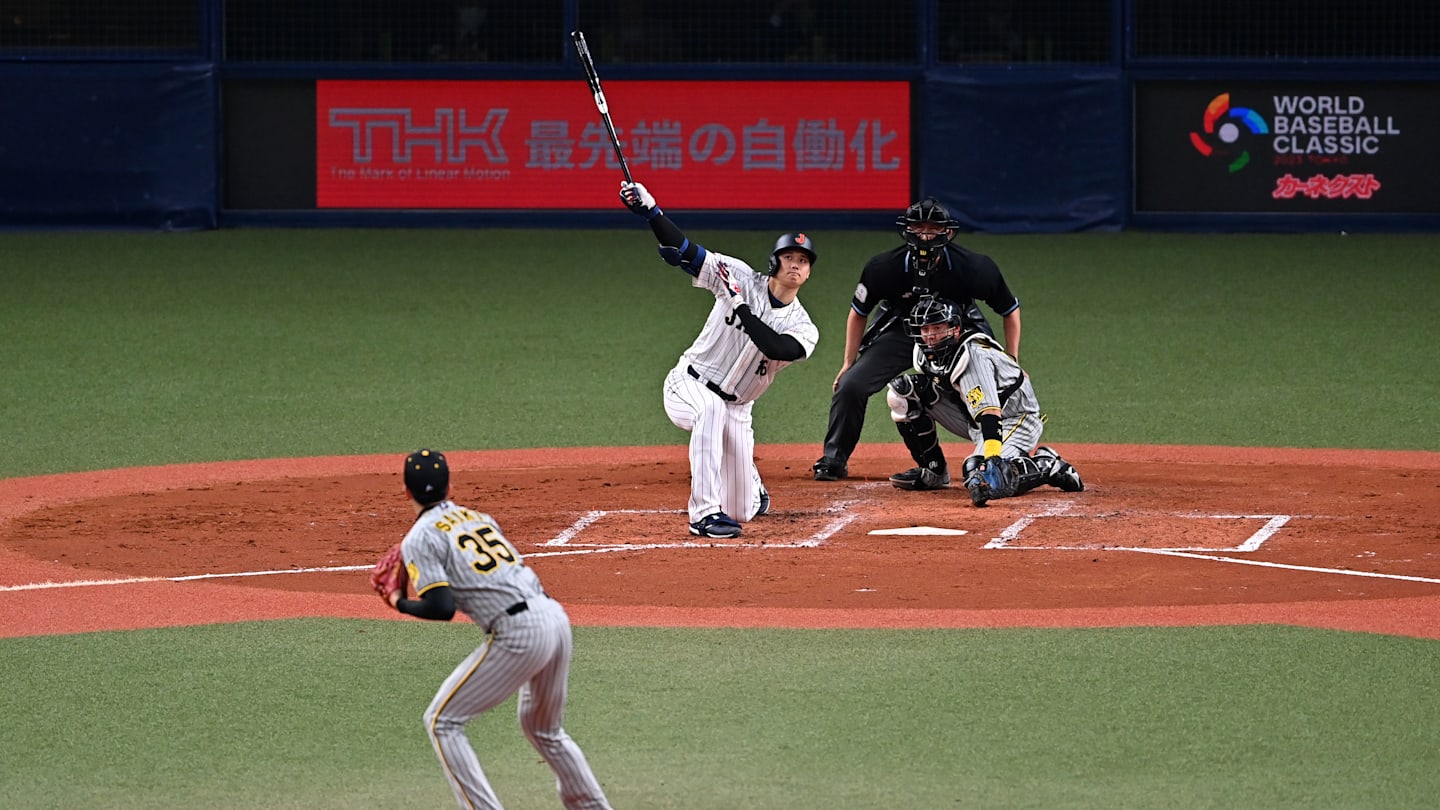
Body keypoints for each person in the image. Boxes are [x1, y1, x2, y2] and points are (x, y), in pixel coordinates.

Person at [381, 449, 614, 810]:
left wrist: (397, 600)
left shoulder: (419, 537)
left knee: (442, 721)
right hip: (553, 616)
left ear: (405, 492)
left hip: (520, 631)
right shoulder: (479, 518)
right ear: (450, 486)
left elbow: (441, 608)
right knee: (544, 729)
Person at [619, 180, 819, 538]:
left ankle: (750, 485)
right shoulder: (738, 275)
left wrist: (739, 306)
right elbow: (685, 249)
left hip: (739, 411)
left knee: (743, 509)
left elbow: (775, 347)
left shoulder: (804, 327)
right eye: (789, 256)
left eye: (803, 261)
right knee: (709, 409)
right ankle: (704, 514)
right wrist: (651, 212)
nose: (795, 264)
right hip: (689, 384)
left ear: (808, 273)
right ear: (775, 261)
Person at [813, 197, 1021, 481]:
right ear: (907, 230)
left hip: (956, 332)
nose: (925, 234)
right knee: (851, 385)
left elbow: (1010, 310)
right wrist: (848, 362)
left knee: (993, 389)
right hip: (902, 330)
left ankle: (1006, 453)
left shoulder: (974, 267)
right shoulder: (883, 267)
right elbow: (857, 313)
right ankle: (834, 459)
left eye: (933, 227)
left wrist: (1011, 360)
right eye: (918, 227)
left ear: (947, 232)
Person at [883, 297, 1083, 506]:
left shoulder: (972, 357)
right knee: (901, 394)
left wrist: (992, 457)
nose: (930, 336)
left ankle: (1047, 464)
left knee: (981, 473)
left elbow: (990, 413)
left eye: (937, 327)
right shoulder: (925, 354)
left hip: (1014, 419)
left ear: (955, 329)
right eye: (925, 329)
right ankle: (934, 471)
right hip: (972, 417)